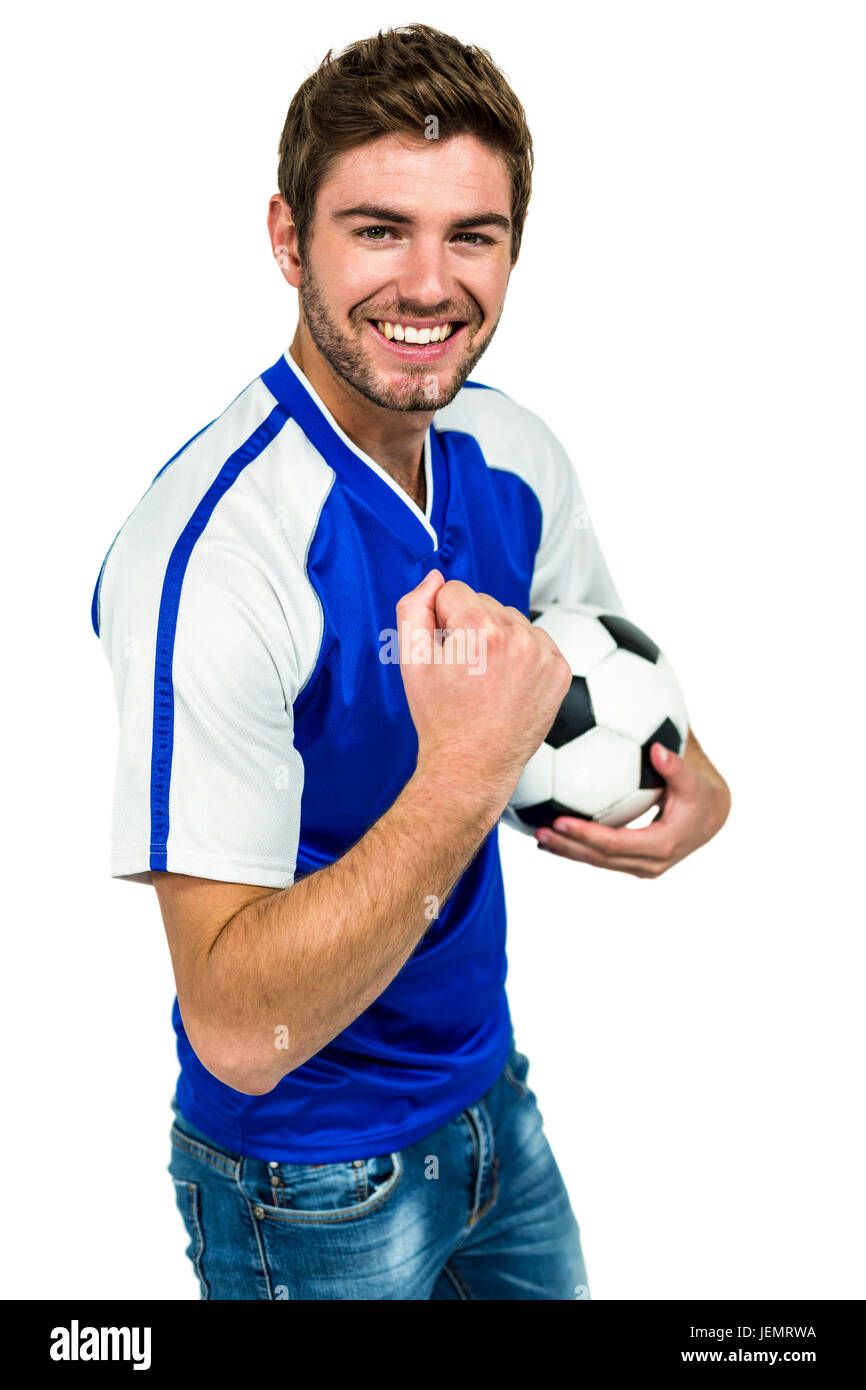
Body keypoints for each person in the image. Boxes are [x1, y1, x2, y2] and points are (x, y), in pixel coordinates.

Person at [91, 22, 731, 1301]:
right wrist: (459, 777)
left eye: (472, 236)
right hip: (308, 1176)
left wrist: (696, 786)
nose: (430, 285)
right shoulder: (215, 556)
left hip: (490, 1099)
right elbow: (233, 1029)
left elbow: (600, 668)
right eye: (378, 229)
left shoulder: (511, 451)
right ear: (288, 241)